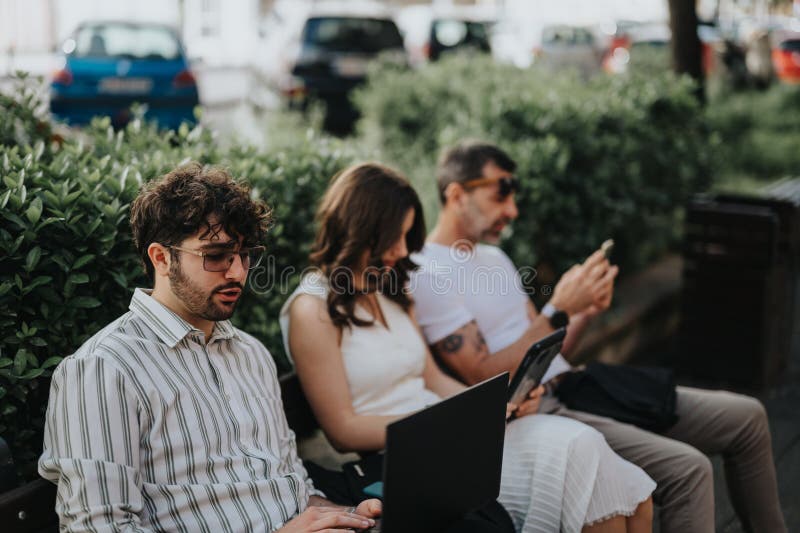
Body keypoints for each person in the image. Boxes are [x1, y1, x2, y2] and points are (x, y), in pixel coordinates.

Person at [409, 140, 787, 533]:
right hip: (535, 410)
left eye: (514, 194)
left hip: (582, 383)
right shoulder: (426, 271)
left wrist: (582, 311)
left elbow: (546, 350)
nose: (512, 209)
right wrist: (558, 310)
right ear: (456, 194)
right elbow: (482, 376)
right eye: (500, 191)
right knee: (688, 470)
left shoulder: (495, 259)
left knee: (748, 418)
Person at [280, 163, 655, 533]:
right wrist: (444, 425)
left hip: (455, 434)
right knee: (581, 450)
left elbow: (433, 378)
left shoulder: (393, 291)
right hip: (413, 458)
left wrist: (492, 408)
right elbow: (343, 430)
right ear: (358, 228)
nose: (399, 249)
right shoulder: (311, 309)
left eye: (406, 236)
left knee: (629, 489)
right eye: (391, 236)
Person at [38, 163, 381, 532]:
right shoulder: (103, 369)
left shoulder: (251, 354)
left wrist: (341, 515)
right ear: (161, 258)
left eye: (244, 255)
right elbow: (98, 528)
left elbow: (292, 486)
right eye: (215, 256)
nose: (237, 273)